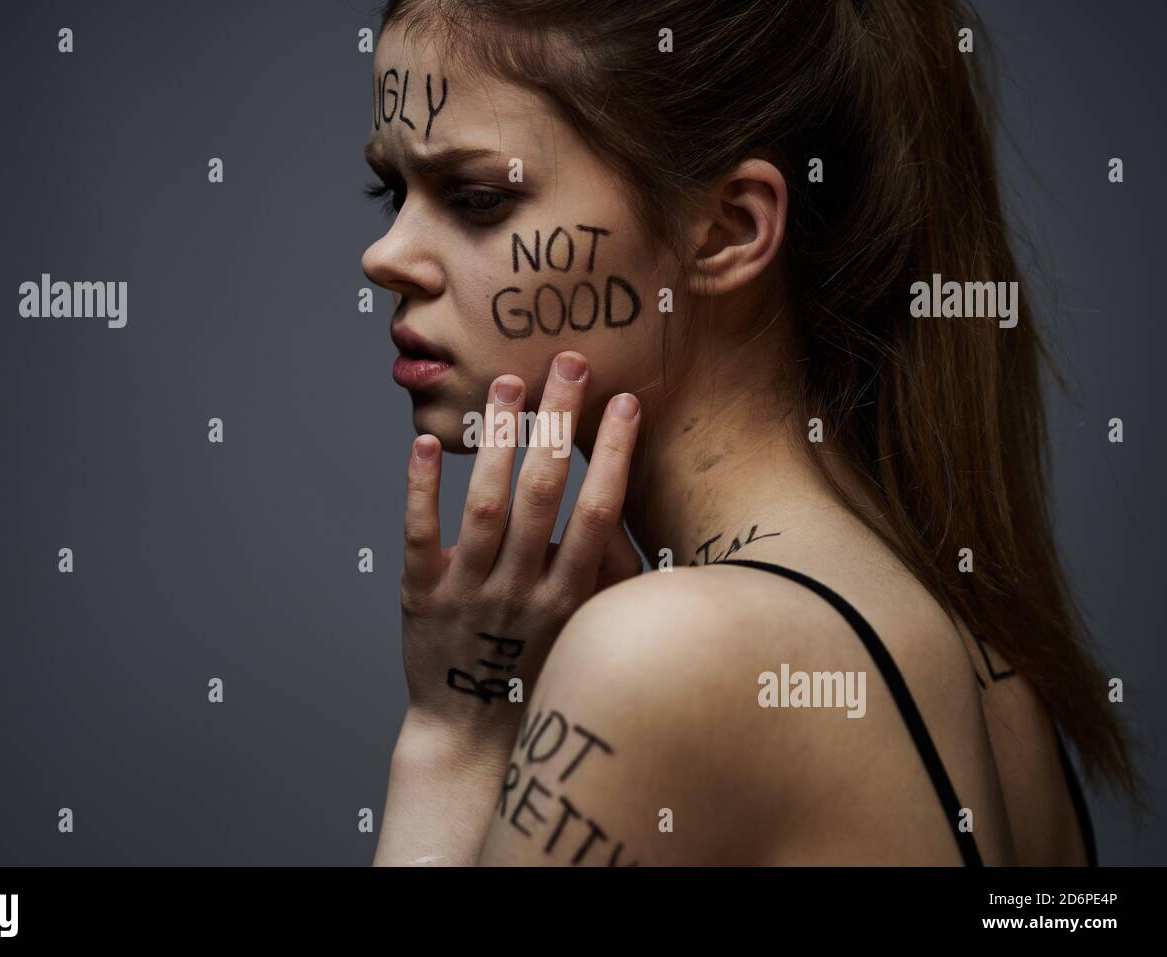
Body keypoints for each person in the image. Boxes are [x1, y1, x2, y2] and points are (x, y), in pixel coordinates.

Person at [359, 0, 1138, 865]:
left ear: (729, 230)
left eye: (477, 198)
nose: (386, 254)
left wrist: (452, 734)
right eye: (392, 191)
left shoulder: (660, 655)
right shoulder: (993, 671)